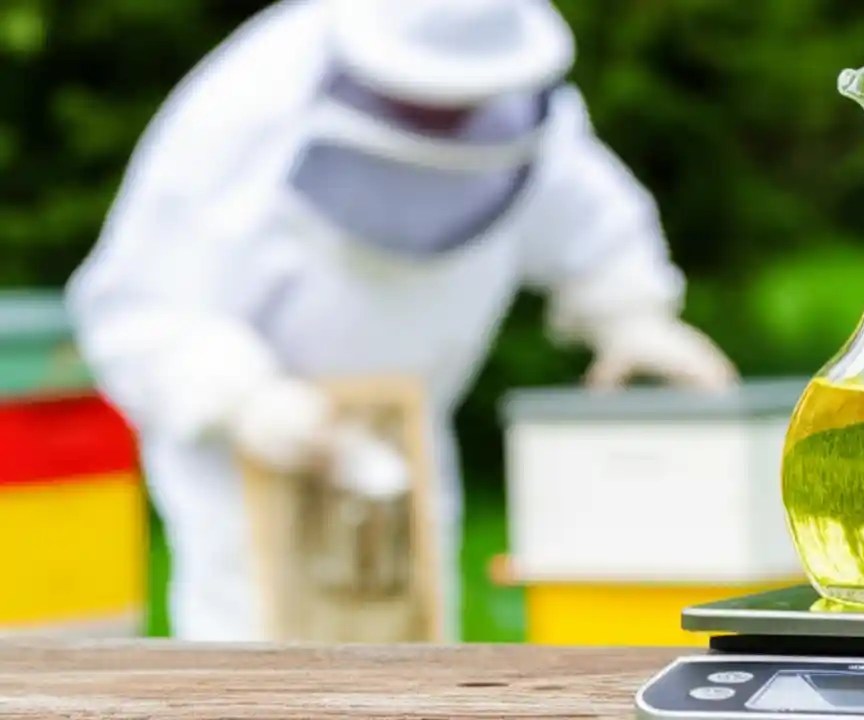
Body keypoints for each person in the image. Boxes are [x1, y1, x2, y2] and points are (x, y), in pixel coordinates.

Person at [65, 0, 738, 642]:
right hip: (249, 462)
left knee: (411, 653)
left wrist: (631, 313)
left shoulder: (518, 99)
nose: (445, 117)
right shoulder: (250, 99)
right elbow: (140, 305)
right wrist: (245, 399)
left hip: (408, 432)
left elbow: (579, 209)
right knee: (247, 660)